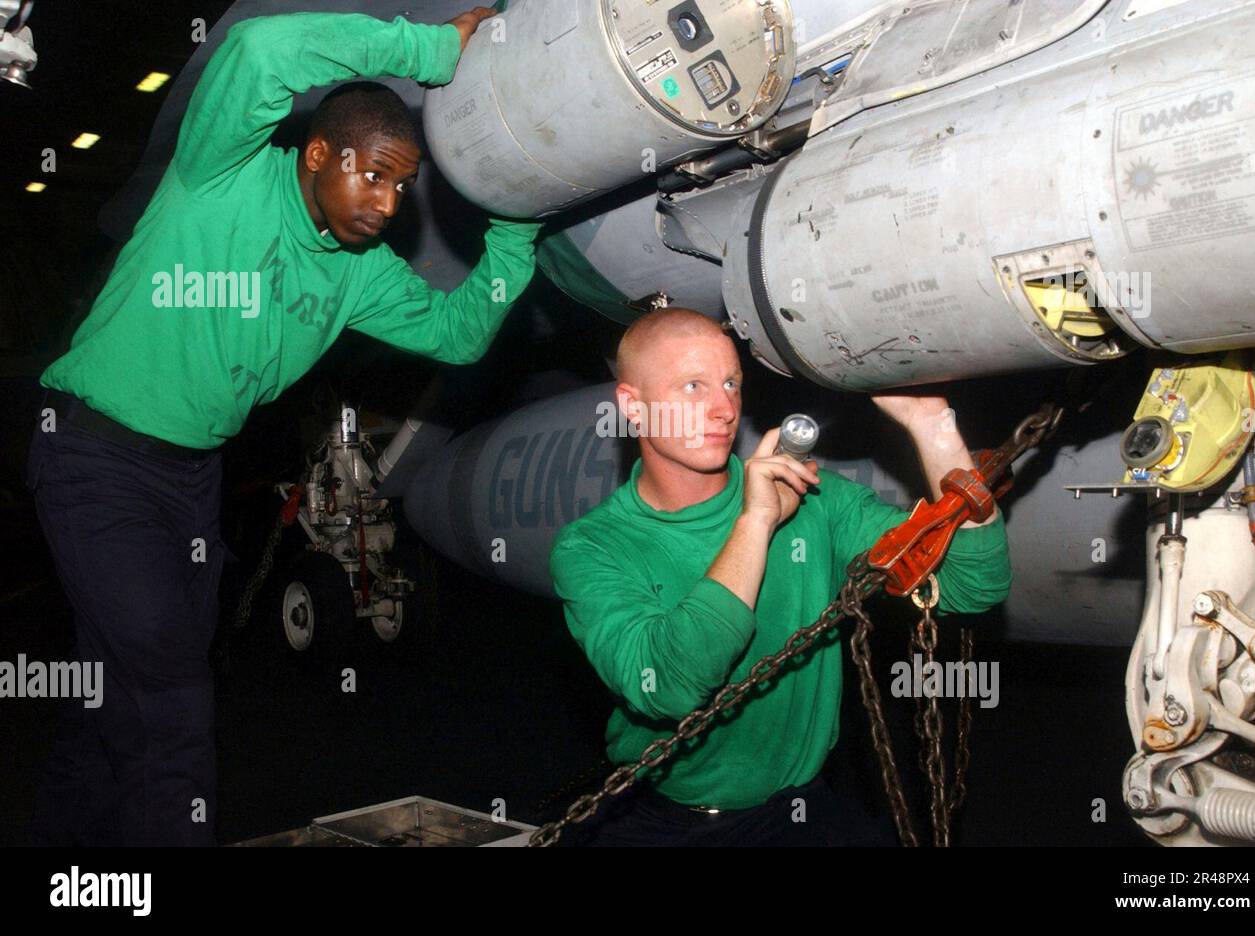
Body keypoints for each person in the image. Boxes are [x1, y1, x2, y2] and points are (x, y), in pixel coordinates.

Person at [25, 8, 540, 846]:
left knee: (118, 694)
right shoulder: (220, 169)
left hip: (190, 482)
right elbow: (260, 46)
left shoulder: (359, 273)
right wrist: (427, 49)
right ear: (317, 154)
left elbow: (460, 333)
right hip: (96, 456)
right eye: (373, 175)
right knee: (172, 701)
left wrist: (517, 228)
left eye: (402, 186)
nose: (387, 204)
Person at [550, 307, 1012, 845]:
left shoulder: (817, 501)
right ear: (633, 407)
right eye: (693, 386)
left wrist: (931, 425)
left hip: (798, 811)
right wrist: (756, 522)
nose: (723, 408)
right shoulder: (593, 547)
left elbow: (973, 585)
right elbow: (669, 685)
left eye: (731, 383)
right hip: (663, 820)